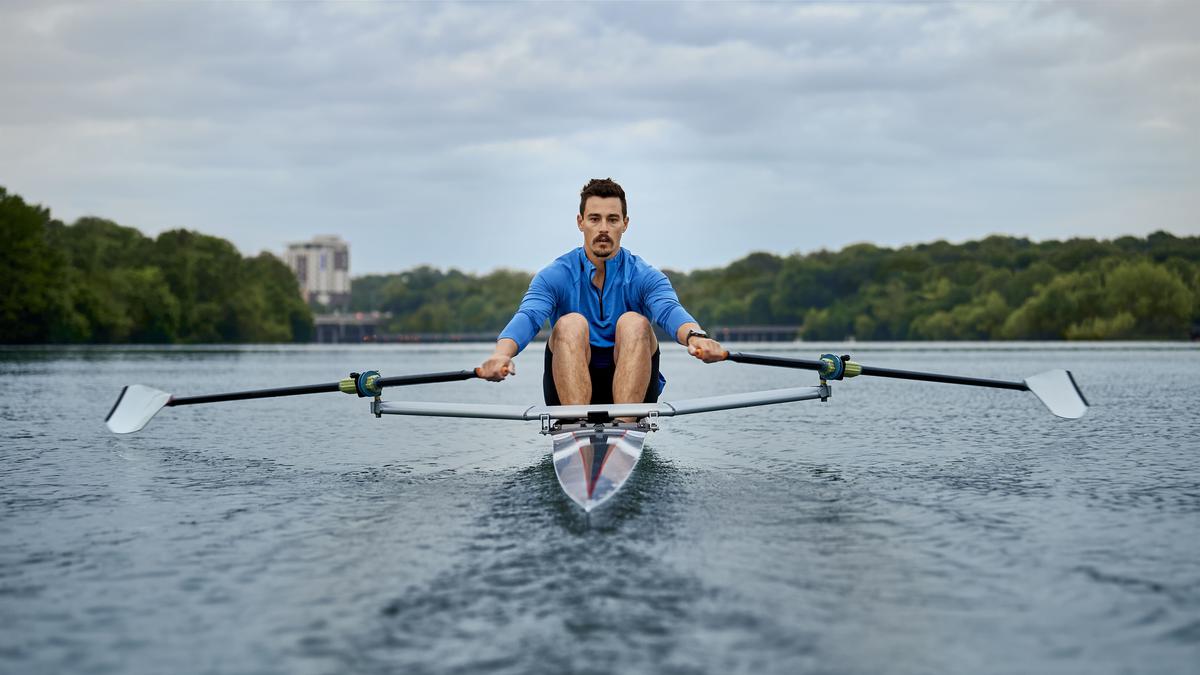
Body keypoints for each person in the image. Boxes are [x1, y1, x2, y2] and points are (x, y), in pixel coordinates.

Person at [477, 178, 725, 406]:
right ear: (580, 222)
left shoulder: (645, 276)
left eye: (613, 219)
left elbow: (669, 310)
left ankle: (625, 427)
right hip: (569, 386)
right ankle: (575, 427)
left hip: (633, 385)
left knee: (634, 323)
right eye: (595, 219)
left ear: (625, 224)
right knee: (570, 324)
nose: (603, 228)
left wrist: (697, 337)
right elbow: (529, 317)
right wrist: (501, 355)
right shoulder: (555, 275)